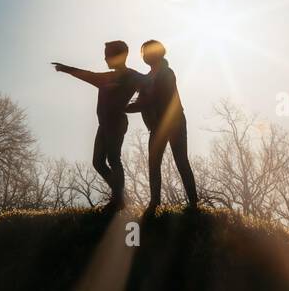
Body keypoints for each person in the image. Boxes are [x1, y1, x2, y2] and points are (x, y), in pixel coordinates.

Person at [52, 41, 140, 209]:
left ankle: (118, 199)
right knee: (98, 162)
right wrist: (66, 69)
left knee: (113, 158)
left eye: (108, 54)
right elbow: (90, 76)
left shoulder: (130, 76)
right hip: (105, 123)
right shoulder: (112, 76)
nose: (105, 57)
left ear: (119, 55)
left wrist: (132, 105)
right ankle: (119, 195)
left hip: (115, 122)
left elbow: (147, 87)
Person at [127, 39, 199, 212]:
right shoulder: (145, 79)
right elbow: (142, 101)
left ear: (158, 53)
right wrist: (122, 107)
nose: (145, 56)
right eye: (143, 53)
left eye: (148, 52)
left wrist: (130, 105)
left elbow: (154, 99)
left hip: (174, 122)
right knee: (153, 163)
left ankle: (194, 204)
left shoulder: (167, 73)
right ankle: (154, 204)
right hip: (157, 126)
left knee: (181, 161)